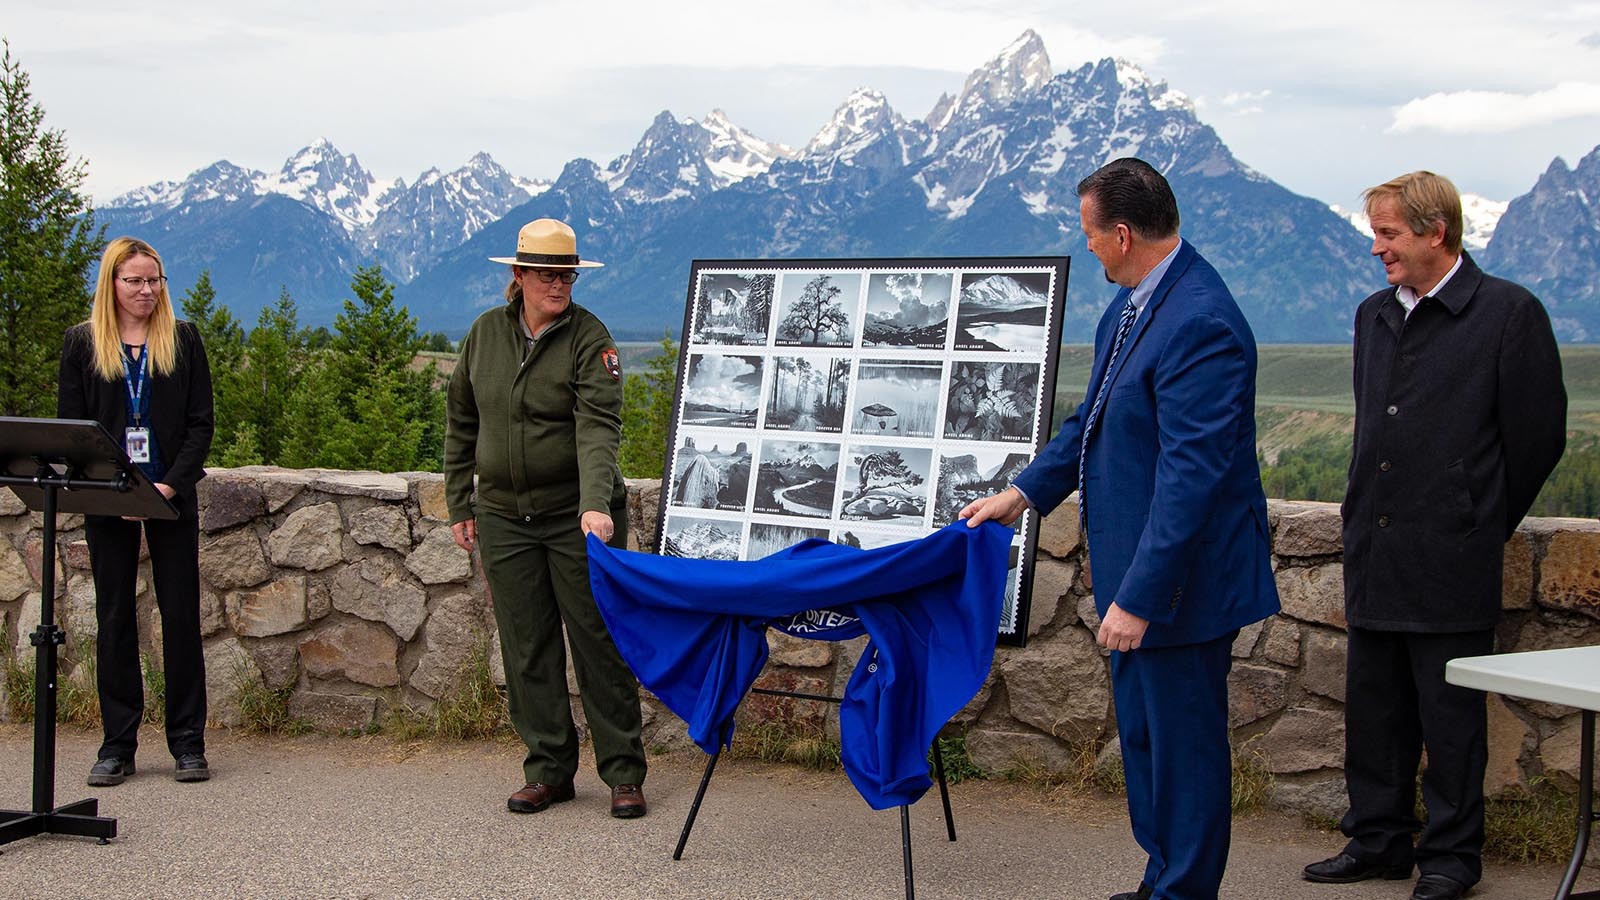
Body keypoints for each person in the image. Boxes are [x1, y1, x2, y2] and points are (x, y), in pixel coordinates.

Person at [962, 157, 1280, 900]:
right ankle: (1160, 881)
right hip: (1142, 581)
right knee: (1145, 744)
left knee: (1183, 752)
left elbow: (1189, 479)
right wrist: (1021, 494)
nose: (1089, 248)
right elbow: (1092, 422)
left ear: (1126, 233)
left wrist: (1137, 596)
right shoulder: (1133, 305)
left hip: (1180, 589)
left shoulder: (1200, 321)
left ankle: (1182, 891)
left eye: (1092, 235)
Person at [1302, 172, 1566, 900]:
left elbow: (1538, 439)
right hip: (1377, 551)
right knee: (1374, 707)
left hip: (1453, 555)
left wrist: (1478, 519)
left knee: (1451, 721)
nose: (1376, 248)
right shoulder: (1371, 315)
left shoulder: (1508, 313)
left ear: (1434, 233)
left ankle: (1451, 858)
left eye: (1388, 234)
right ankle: (1378, 840)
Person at [443, 218, 648, 819]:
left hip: (574, 516)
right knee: (526, 647)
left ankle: (623, 773)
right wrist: (461, 501)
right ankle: (549, 769)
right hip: (504, 516)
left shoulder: (591, 339)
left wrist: (594, 503)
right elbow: (462, 422)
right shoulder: (484, 335)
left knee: (596, 642)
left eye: (568, 274)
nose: (559, 284)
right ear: (519, 276)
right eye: (547, 274)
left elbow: (597, 427)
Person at [57, 237, 214, 785]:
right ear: (112, 285)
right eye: (135, 281)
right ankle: (117, 745)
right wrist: (114, 490)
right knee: (115, 616)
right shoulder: (83, 346)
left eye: (155, 281)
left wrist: (168, 486)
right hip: (108, 499)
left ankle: (188, 743)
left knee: (180, 614)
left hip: (172, 495)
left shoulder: (184, 341)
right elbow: (74, 430)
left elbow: (201, 426)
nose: (147, 291)